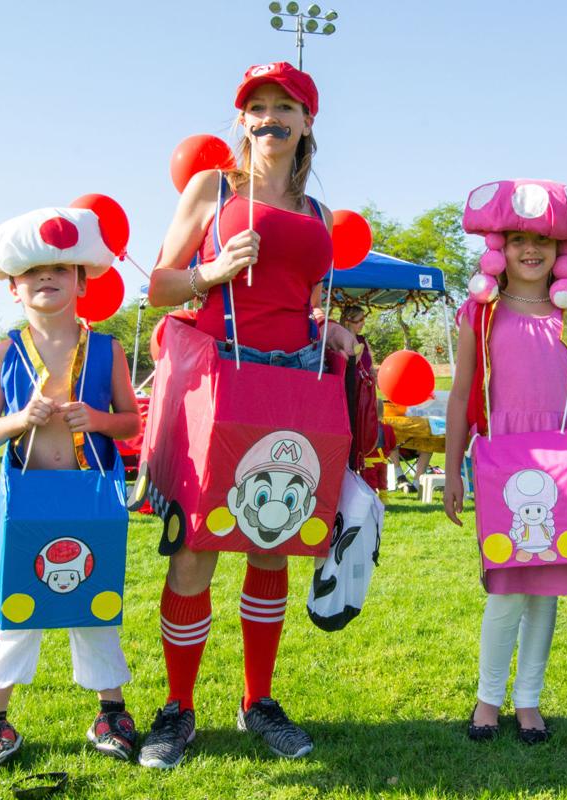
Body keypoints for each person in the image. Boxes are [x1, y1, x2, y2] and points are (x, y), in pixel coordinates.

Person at [140, 61, 353, 769]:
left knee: (274, 537)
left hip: (294, 384)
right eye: (256, 107)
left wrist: (332, 329)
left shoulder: (318, 213)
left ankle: (258, 700)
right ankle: (178, 709)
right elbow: (159, 288)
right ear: (243, 121)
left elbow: (302, 301)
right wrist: (213, 270)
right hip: (220, 377)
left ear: (307, 123)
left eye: (284, 107)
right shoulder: (215, 186)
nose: (268, 118)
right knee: (198, 545)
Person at [443, 178, 567, 744]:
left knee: (548, 591)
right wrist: (454, 469)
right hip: (501, 464)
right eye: (517, 240)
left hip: (556, 466)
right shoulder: (479, 314)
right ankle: (488, 699)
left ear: (561, 251)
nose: (530, 250)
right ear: (499, 249)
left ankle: (528, 701)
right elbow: (461, 395)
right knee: (508, 586)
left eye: (542, 241)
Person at [0, 204, 141, 769]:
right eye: (33, 272)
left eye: (60, 269)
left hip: (91, 496)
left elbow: (130, 423)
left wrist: (96, 418)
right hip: (29, 499)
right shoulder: (3, 352)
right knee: (12, 606)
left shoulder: (109, 349)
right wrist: (21, 419)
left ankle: (110, 711)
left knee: (96, 605)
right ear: (13, 288)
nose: (46, 277)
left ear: (82, 280)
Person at [337, 305, 428, 491]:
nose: (362, 324)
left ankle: (361, 475)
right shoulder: (339, 339)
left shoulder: (363, 340)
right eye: (359, 320)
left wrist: (379, 377)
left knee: (365, 431)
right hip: (348, 392)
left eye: (364, 320)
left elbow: (370, 366)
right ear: (348, 321)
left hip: (366, 393)